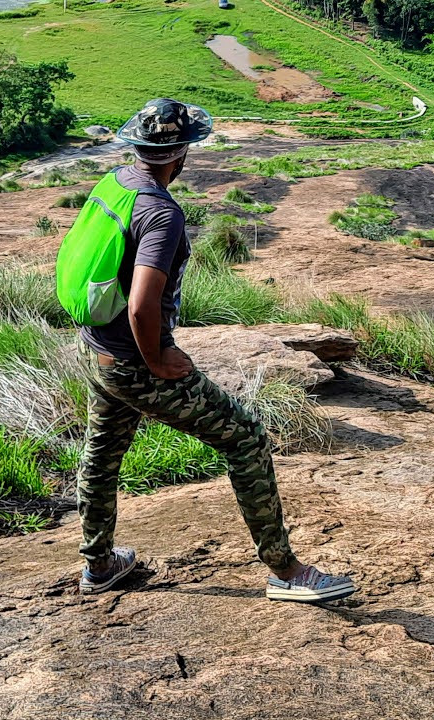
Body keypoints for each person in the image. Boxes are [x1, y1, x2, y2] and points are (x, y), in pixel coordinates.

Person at [75, 97, 356, 604]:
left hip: (100, 352)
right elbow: (142, 305)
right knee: (246, 437)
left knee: (103, 452)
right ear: (181, 155)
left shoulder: (114, 183)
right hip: (139, 362)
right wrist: (160, 359)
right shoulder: (162, 215)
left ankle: (99, 565)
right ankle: (286, 572)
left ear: (137, 147)